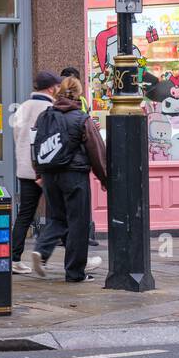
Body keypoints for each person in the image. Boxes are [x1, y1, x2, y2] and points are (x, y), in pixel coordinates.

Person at [31, 76, 108, 283]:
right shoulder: (81, 118)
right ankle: (74, 273)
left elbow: (35, 145)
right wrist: (104, 178)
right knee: (78, 223)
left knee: (57, 218)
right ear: (79, 94)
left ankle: (41, 250)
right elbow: (96, 150)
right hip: (74, 174)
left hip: (49, 174)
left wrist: (38, 173)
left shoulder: (44, 116)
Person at [9, 70, 60, 275]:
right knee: (58, 214)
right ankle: (54, 256)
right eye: (56, 86)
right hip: (45, 170)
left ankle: (13, 257)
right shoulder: (50, 108)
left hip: (24, 169)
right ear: (51, 88)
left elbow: (17, 136)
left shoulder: (22, 107)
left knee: (25, 215)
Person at [59, 66, 97, 245]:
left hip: (58, 166)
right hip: (76, 164)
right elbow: (91, 139)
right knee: (77, 210)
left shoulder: (53, 107)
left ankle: (49, 247)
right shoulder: (77, 109)